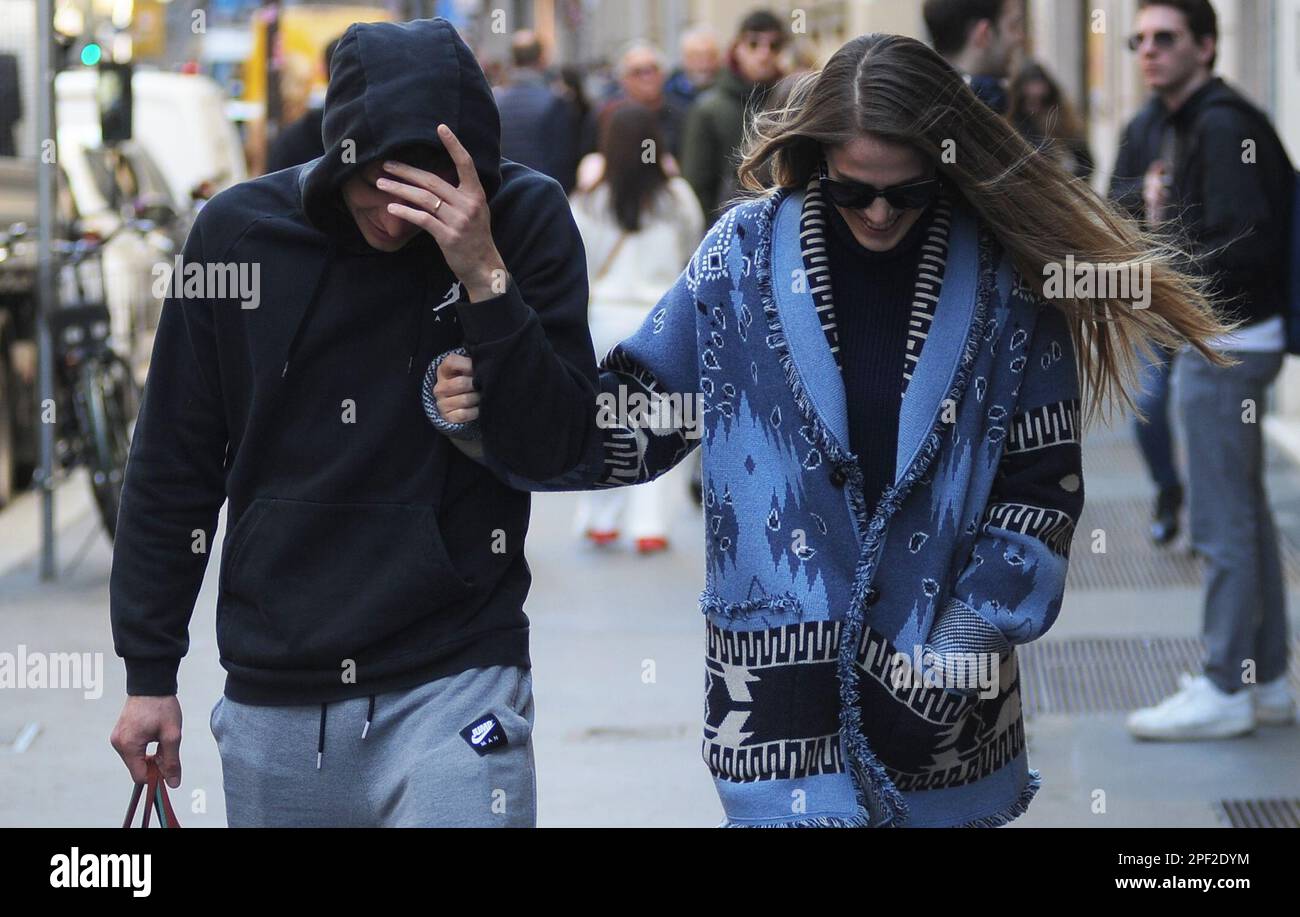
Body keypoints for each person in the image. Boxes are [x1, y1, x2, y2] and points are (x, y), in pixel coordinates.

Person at [427, 33, 1228, 826]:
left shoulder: (1009, 281)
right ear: (815, 163)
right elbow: (626, 423)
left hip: (950, 740)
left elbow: (1040, 495)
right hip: (776, 727)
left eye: (907, 192)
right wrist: (485, 397)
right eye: (853, 192)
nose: (879, 213)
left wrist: (953, 657)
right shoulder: (738, 262)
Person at [108, 18, 599, 827]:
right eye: (380, 184)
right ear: (340, 153)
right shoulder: (239, 236)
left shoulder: (524, 220)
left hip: (459, 668)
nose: (401, 217)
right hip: (280, 687)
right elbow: (173, 458)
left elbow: (563, 444)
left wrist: (484, 275)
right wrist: (149, 670)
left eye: (430, 192)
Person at [1116, 0, 1297, 741]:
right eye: (1140, 40)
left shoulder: (1222, 126)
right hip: (1230, 342)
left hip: (1227, 346)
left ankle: (1226, 684)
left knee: (1220, 524)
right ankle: (1269, 677)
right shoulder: (1188, 121)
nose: (1149, 52)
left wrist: (1163, 243)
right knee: (1246, 516)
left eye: (1166, 39)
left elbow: (1243, 247)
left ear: (1207, 45)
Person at [569, 103, 703, 554]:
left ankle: (601, 516)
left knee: (608, 414)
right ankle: (650, 524)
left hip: (606, 316)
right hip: (664, 318)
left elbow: (577, 262)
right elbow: (693, 253)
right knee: (666, 417)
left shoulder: (591, 198)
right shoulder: (677, 197)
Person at [680, 8, 785, 220]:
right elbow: (696, 187)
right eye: (754, 44)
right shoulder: (709, 108)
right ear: (737, 48)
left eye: (773, 46)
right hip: (725, 232)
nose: (764, 54)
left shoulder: (788, 101)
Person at [493, 29, 578, 190]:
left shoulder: (495, 100)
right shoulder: (555, 102)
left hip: (504, 194)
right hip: (543, 195)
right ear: (542, 59)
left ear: (512, 61)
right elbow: (563, 161)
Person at [923, 0, 1026, 115]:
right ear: (984, 34)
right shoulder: (983, 108)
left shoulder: (921, 106)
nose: (1020, 38)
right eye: (1013, 26)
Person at [1008, 61, 1095, 181]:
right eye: (1029, 101)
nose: (1035, 107)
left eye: (1041, 100)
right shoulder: (1014, 127)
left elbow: (1087, 165)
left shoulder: (1066, 124)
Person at [266, 38, 340, 174]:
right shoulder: (307, 128)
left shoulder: (298, 131)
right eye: (303, 83)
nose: (306, 89)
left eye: (307, 83)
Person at [664, 26, 722, 112]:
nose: (704, 64)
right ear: (684, 58)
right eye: (696, 56)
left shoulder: (729, 90)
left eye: (710, 56)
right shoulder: (667, 90)